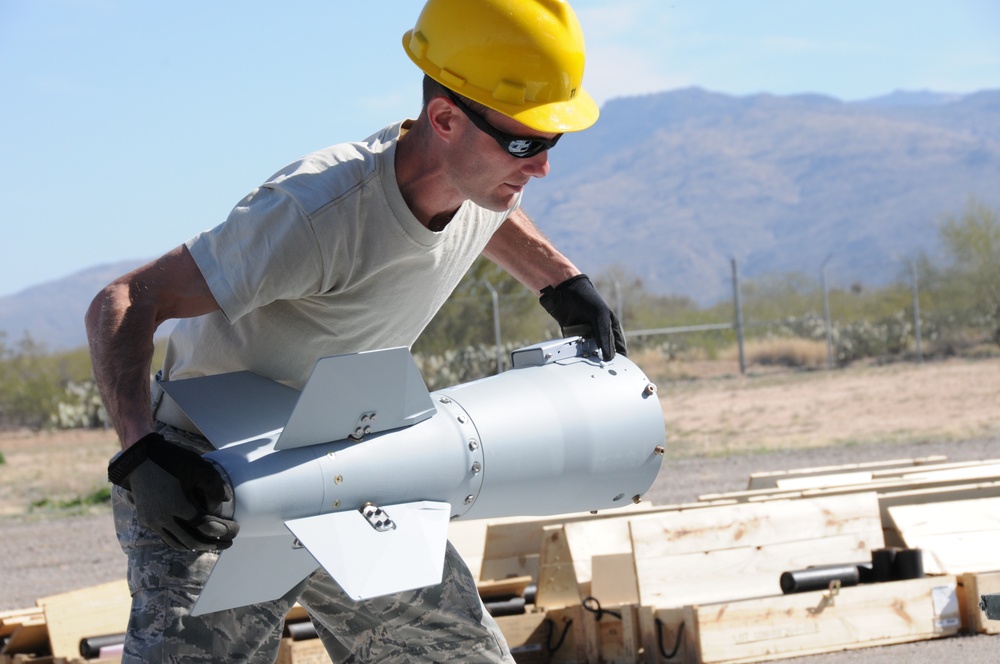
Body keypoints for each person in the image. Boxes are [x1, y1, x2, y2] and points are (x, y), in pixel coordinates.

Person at [86, 0, 626, 662]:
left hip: (347, 462)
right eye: (524, 143)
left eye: (551, 142)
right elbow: (124, 300)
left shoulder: (485, 178)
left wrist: (562, 282)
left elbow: (492, 216)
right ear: (446, 119)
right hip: (204, 478)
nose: (540, 166)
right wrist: (140, 455)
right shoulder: (316, 214)